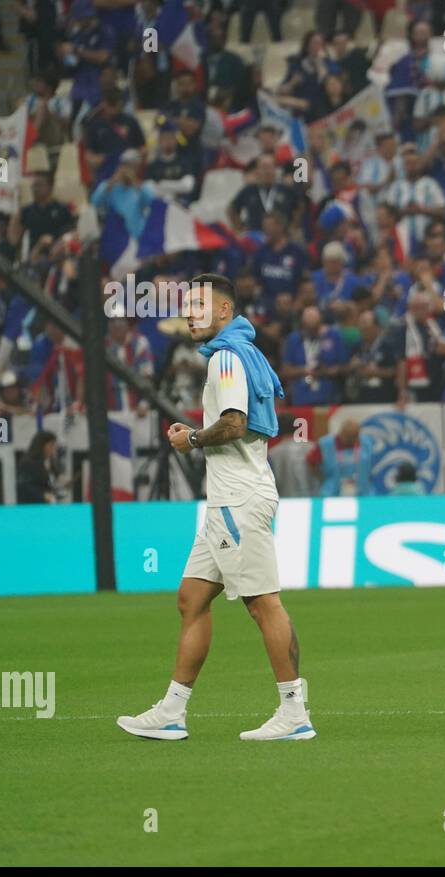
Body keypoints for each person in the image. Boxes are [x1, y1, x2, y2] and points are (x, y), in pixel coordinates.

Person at [117, 274, 315, 743]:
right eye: (187, 305)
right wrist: (201, 432)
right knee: (191, 598)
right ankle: (172, 711)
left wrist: (192, 439)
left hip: (237, 501)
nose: (190, 313)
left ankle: (293, 712)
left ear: (224, 311)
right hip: (230, 500)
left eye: (199, 305)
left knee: (262, 603)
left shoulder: (226, 357)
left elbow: (234, 423)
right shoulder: (244, 350)